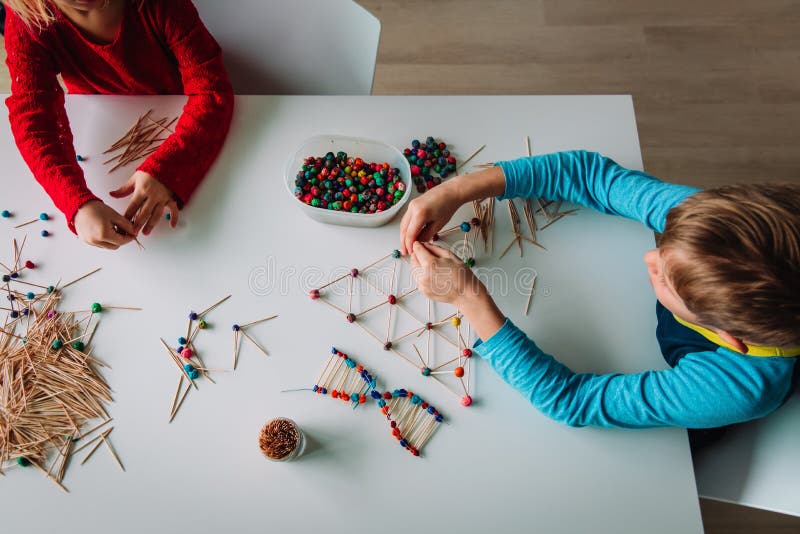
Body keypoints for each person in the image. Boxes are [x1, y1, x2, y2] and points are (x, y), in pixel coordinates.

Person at [401, 150, 800, 430]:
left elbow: (572, 401)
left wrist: (468, 298)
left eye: (665, 278)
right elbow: (592, 176)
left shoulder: (735, 389)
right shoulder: (713, 229)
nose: (649, 256)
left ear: (729, 336)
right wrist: (457, 190)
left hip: (694, 405)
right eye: (664, 243)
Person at [4, 0, 233, 248]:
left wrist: (168, 170)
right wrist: (76, 204)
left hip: (175, 96)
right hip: (99, 110)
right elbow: (33, 122)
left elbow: (211, 92)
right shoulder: (27, 18)